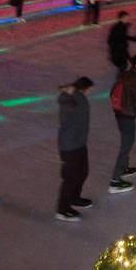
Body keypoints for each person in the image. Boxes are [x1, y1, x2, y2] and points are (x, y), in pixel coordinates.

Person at [55, 77, 95, 222]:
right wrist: (75, 92)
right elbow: (80, 108)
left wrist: (72, 91)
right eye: (89, 90)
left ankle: (74, 198)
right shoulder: (73, 102)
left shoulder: (73, 99)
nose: (90, 93)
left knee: (83, 172)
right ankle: (62, 210)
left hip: (78, 144)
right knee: (70, 178)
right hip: (70, 146)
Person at [109, 54, 136, 193]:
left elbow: (113, 91)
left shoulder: (123, 74)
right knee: (126, 145)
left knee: (126, 142)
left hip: (119, 113)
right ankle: (115, 181)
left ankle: (124, 168)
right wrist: (134, 108)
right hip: (128, 116)